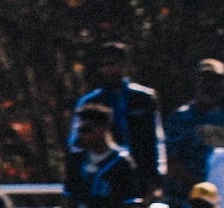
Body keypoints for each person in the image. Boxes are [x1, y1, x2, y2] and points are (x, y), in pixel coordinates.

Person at [70, 39, 165, 187]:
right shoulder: (90, 101)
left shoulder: (145, 98)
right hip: (104, 175)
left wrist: (158, 173)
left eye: (112, 64)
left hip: (141, 176)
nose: (107, 69)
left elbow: (157, 139)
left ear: (125, 65)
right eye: (103, 65)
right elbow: (75, 143)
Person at [165, 59, 224, 203]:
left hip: (219, 201)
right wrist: (200, 186)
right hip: (183, 200)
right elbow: (171, 162)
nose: (210, 85)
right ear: (196, 81)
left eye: (216, 80)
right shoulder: (180, 118)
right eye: (206, 80)